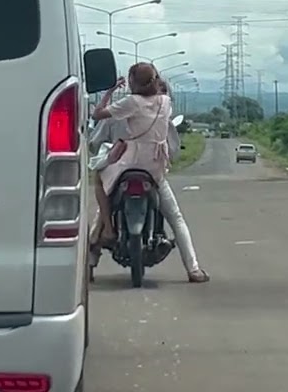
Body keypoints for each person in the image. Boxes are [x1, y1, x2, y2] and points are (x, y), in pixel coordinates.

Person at [89, 63, 209, 283]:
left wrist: (110, 91)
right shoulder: (165, 103)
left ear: (132, 83)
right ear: (156, 81)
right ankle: (193, 269)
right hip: (154, 168)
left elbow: (98, 115)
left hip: (126, 164)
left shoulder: (128, 104)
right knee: (176, 218)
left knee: (102, 187)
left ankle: (101, 241)